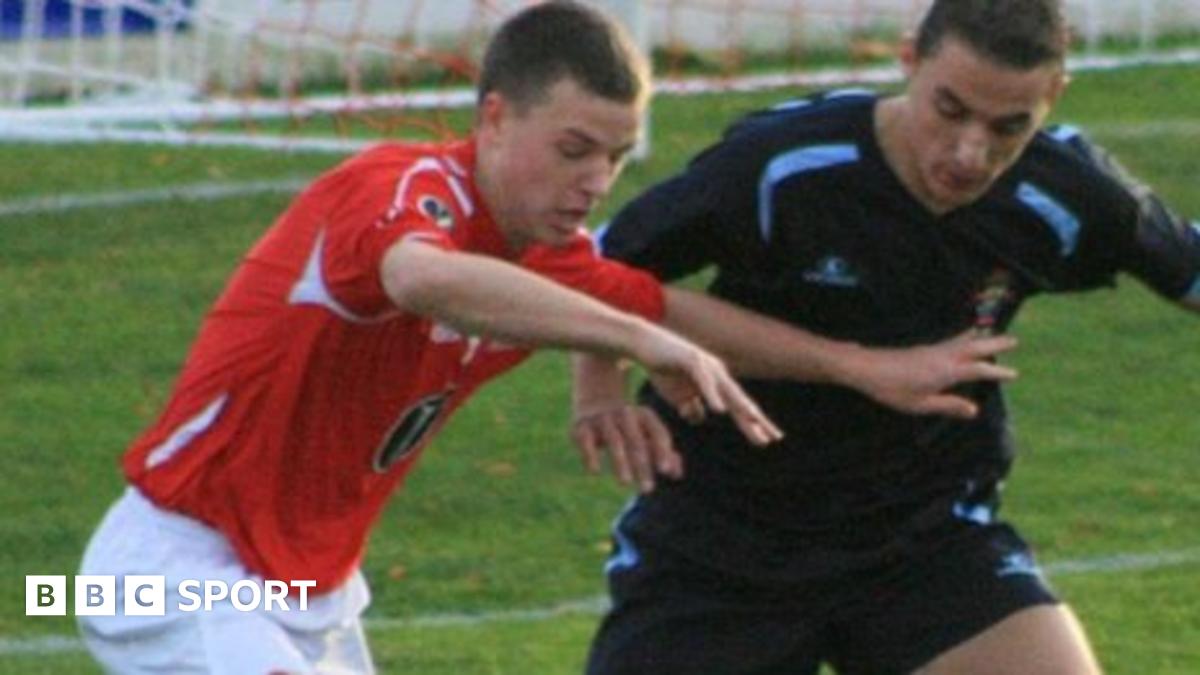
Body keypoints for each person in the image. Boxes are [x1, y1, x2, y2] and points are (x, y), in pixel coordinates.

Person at [75, 3, 789, 673]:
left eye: (617, 156)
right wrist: (633, 340)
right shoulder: (400, 189)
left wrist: (871, 369)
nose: (597, 180)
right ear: (496, 118)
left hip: (309, 593)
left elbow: (672, 312)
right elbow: (423, 279)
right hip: (171, 572)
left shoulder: (543, 252)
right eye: (573, 150)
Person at [576, 0, 1200, 673]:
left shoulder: (1065, 190)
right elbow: (595, 270)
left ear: (1053, 96)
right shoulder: (788, 163)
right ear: (908, 60)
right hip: (724, 543)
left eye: (1009, 127)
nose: (970, 153)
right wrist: (599, 385)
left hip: (924, 541)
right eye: (950, 110)